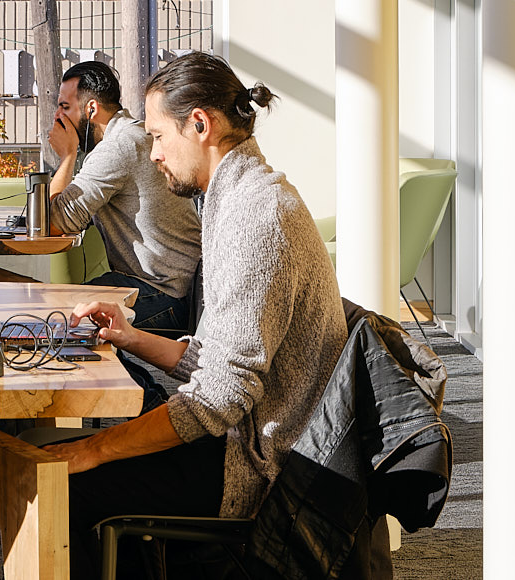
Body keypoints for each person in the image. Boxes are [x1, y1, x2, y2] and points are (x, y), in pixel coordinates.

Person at [41, 53, 346, 580]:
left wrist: (95, 448)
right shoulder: (238, 199)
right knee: (68, 463)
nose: (153, 153)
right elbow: (216, 363)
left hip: (250, 463)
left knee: (56, 485)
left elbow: (219, 400)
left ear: (200, 125)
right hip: (237, 435)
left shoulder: (258, 215)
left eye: (158, 136)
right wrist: (131, 336)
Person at [46, 60, 202, 349]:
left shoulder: (119, 146)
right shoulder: (128, 135)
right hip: (163, 285)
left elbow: (54, 224)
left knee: (63, 322)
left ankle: (150, 396)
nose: (57, 117)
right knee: (60, 309)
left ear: (91, 108)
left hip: (165, 295)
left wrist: (67, 155)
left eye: (65, 107)